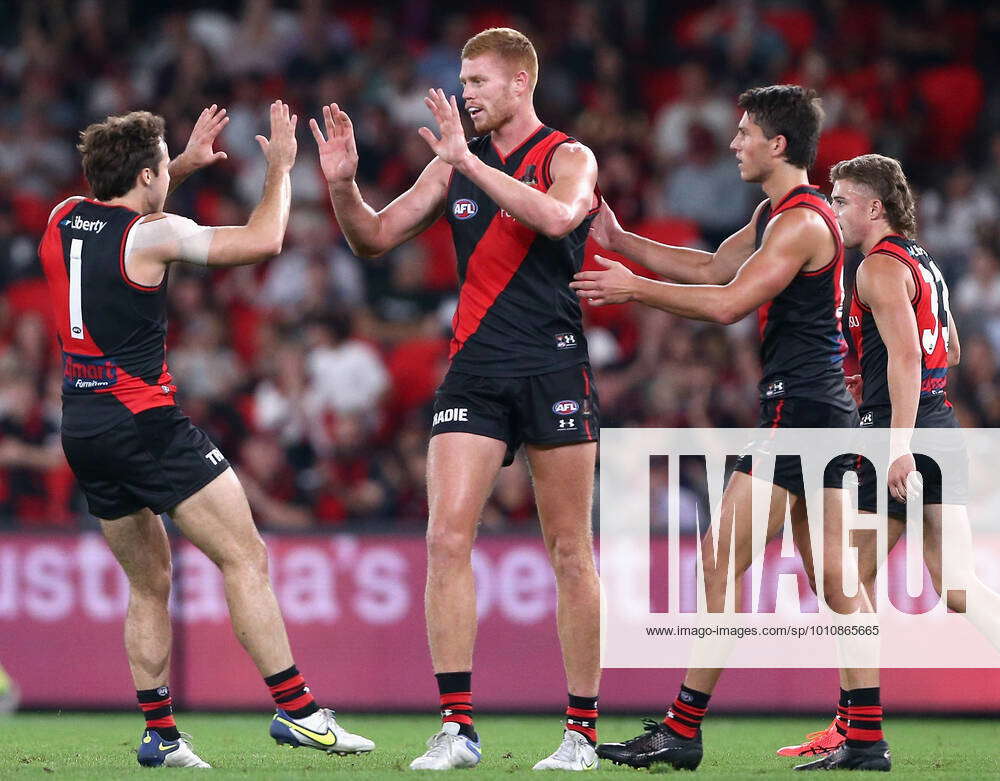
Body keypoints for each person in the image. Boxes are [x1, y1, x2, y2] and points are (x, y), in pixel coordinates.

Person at [37, 102, 374, 768]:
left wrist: (181, 164)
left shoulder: (60, 216)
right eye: (164, 166)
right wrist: (279, 171)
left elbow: (119, 220)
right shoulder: (153, 233)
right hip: (145, 420)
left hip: (82, 421)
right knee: (245, 557)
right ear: (145, 176)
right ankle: (299, 712)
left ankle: (160, 734)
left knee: (148, 581)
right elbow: (261, 240)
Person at [310, 27, 602, 772]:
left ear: (518, 83)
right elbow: (374, 238)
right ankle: (457, 726)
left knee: (570, 549)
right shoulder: (452, 166)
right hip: (475, 366)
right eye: (463, 81)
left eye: (476, 81)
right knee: (445, 538)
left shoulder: (567, 156)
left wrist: (466, 160)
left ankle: (580, 733)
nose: (465, 92)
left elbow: (560, 219)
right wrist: (343, 186)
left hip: (553, 366)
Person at [575, 85, 889, 772]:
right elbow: (715, 266)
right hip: (821, 409)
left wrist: (634, 288)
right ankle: (866, 736)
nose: (733, 142)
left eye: (745, 132)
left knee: (720, 559)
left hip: (798, 411)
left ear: (778, 145)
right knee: (837, 580)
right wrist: (623, 243)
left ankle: (683, 729)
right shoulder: (779, 214)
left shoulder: (802, 223)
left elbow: (727, 303)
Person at [778, 154, 1000, 766]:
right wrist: (879, 380)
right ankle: (855, 727)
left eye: (842, 200)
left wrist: (895, 441)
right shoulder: (923, 261)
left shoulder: (876, 268)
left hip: (898, 438)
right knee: (956, 585)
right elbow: (947, 347)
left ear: (874, 206)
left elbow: (906, 357)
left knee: (844, 579)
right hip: (940, 423)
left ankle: (858, 732)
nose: (834, 209)